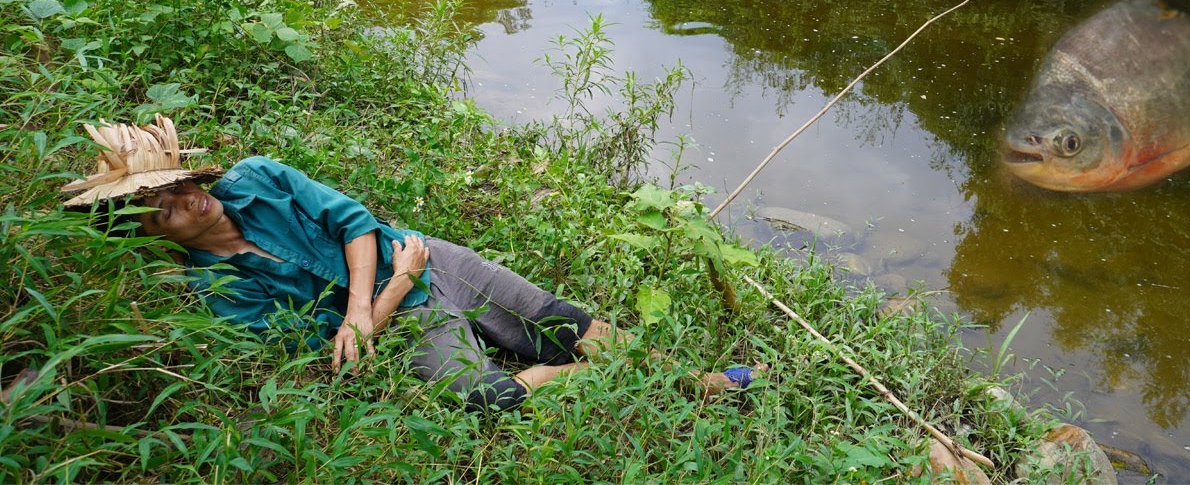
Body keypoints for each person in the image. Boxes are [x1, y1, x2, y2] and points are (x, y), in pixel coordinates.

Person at [63, 115, 757, 411]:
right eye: (163, 206)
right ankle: (551, 375)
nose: (187, 200)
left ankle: (695, 382)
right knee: (493, 396)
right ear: (152, 232)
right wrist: (391, 291)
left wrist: (361, 304)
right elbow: (335, 350)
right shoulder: (216, 291)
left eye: (181, 184)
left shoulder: (256, 178)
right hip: (406, 304)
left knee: (560, 318)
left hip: (427, 259)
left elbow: (353, 222)